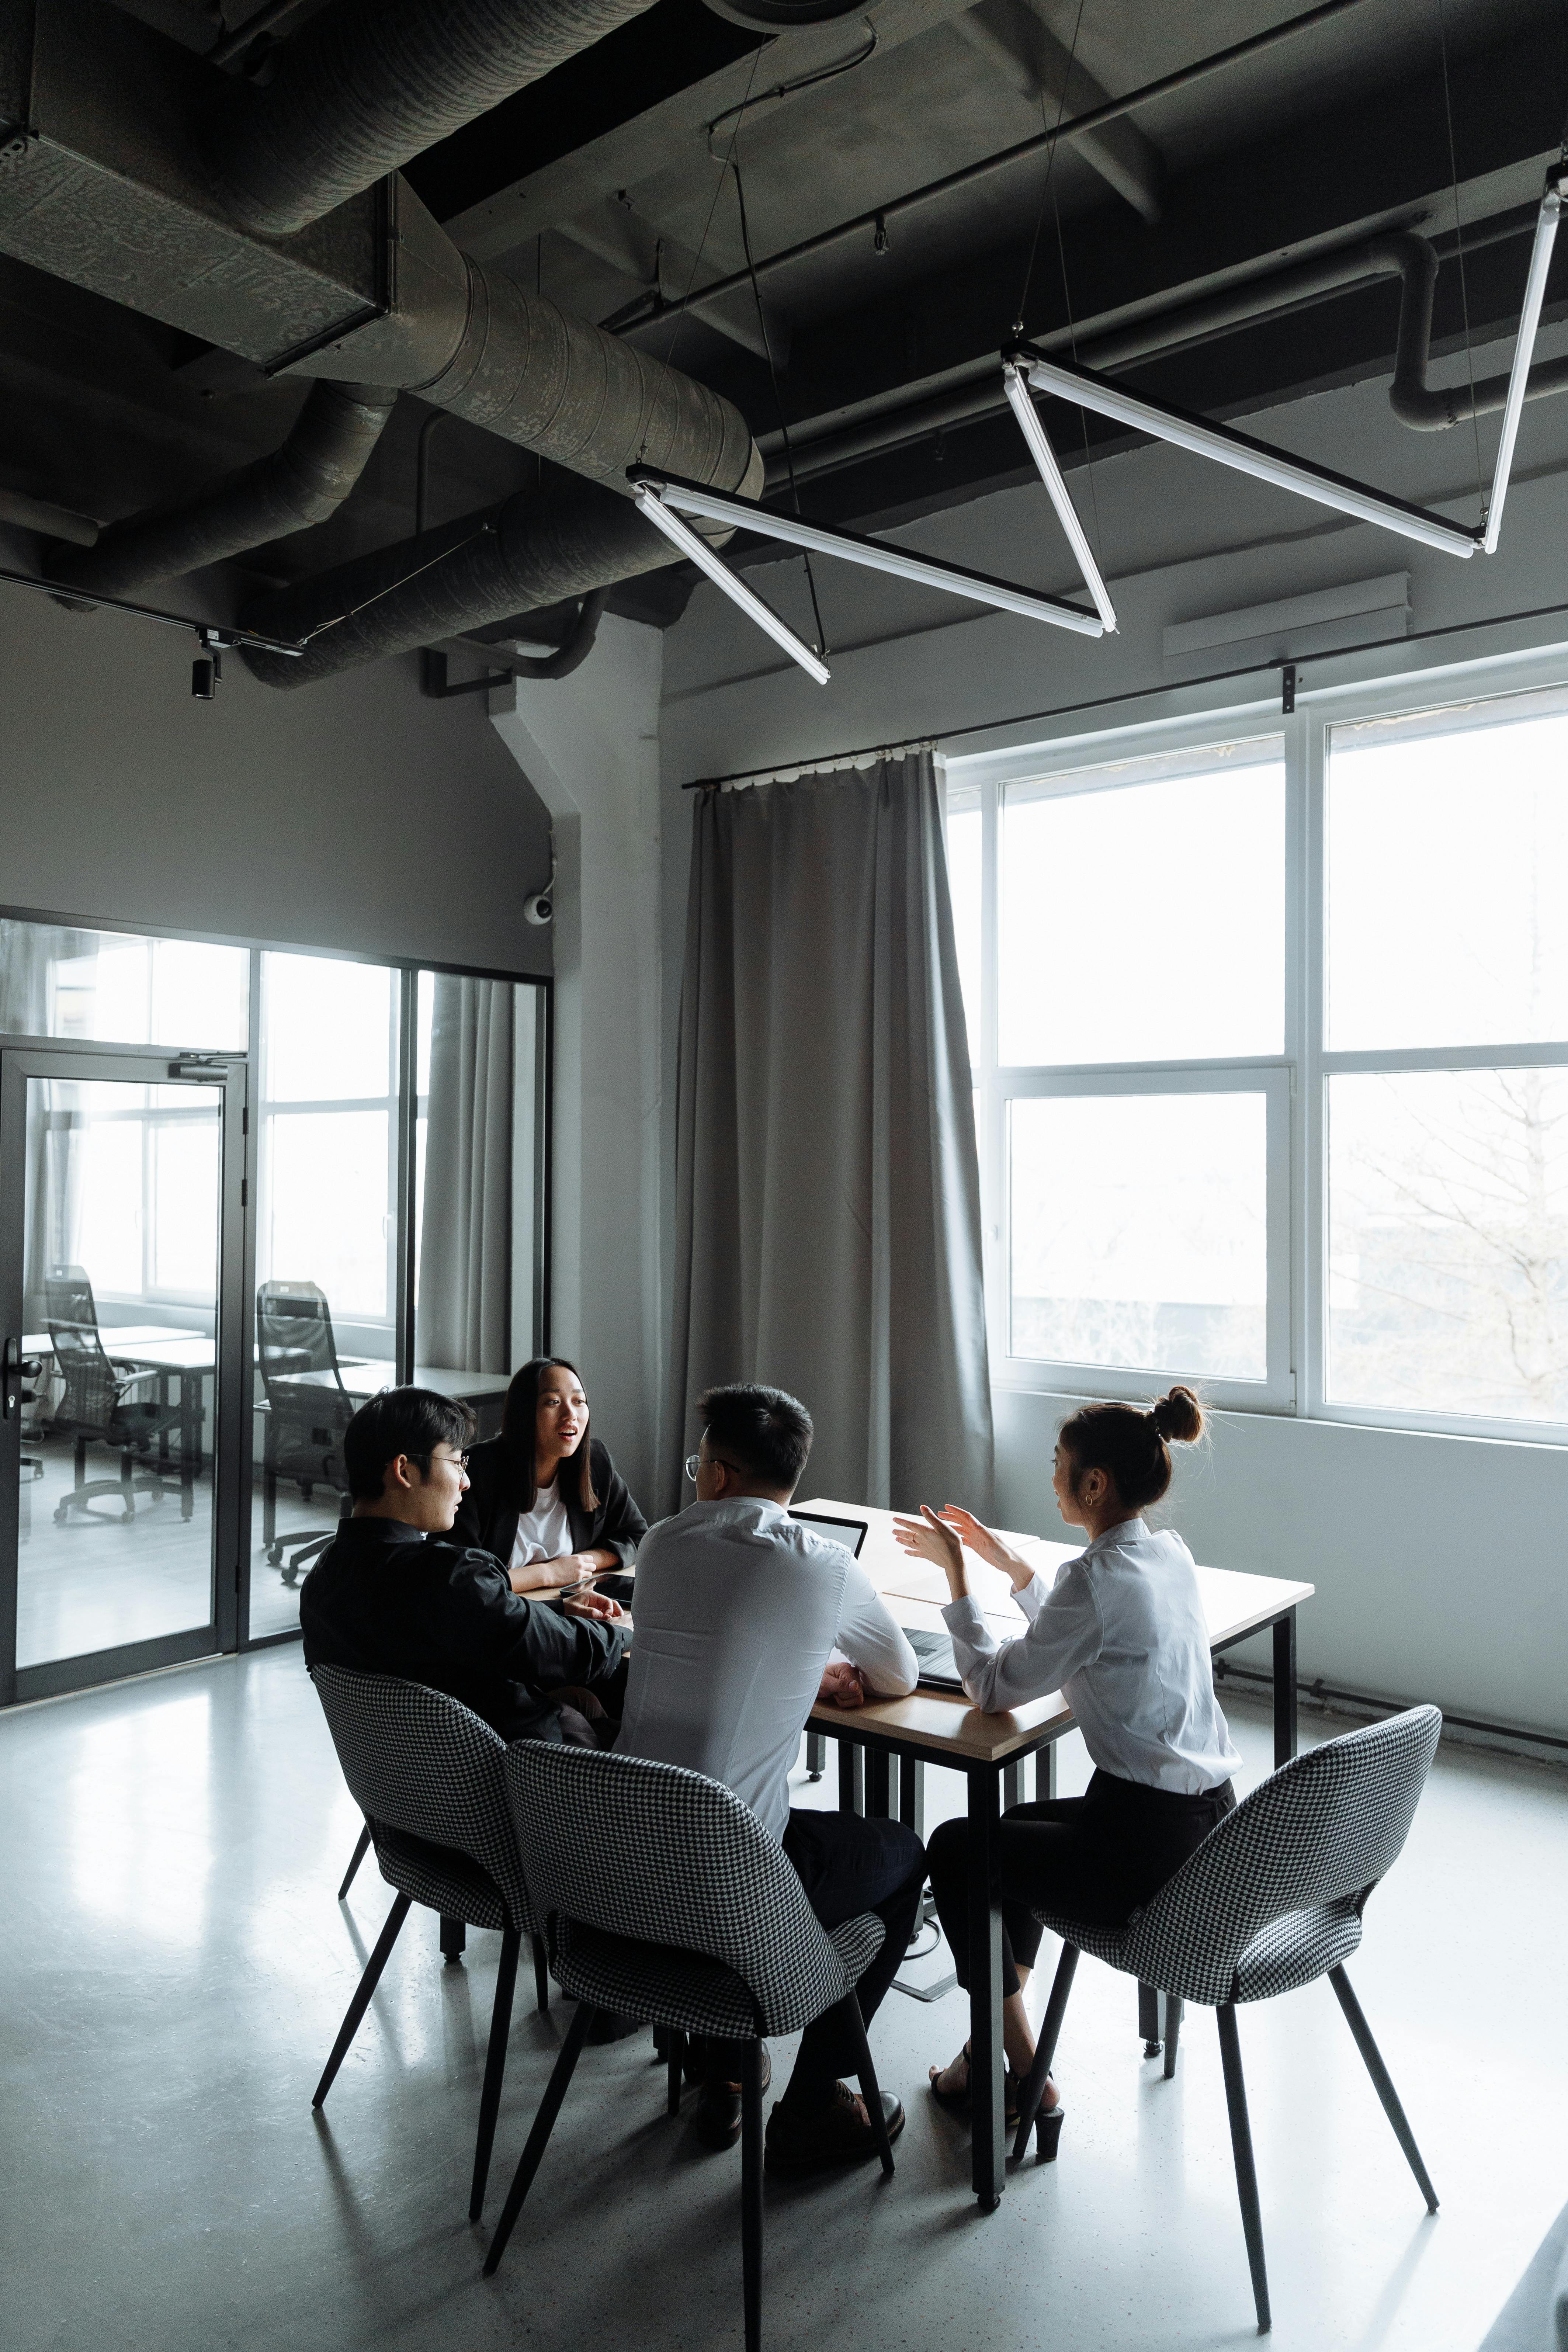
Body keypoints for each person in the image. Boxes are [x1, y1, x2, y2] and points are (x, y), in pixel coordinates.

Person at [893, 1387, 1240, 2145]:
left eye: (1059, 1467)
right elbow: (1089, 1625)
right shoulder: (1164, 1554)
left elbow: (991, 1688)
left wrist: (959, 1581)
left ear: (1093, 1484)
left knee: (956, 1850)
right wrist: (1011, 1567)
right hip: (1205, 1822)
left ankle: (1025, 2071)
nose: (1050, 1479)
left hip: (1144, 1851)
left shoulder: (1091, 1580)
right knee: (1009, 1828)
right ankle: (997, 2049)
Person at [617, 1382, 926, 2177]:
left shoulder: (658, 1545)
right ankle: (815, 2098)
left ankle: (724, 2067)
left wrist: (799, 1658)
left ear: (716, 1475)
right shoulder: (822, 1565)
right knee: (900, 1857)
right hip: (730, 1898)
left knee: (721, 1816)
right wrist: (821, 1660)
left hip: (615, 1874)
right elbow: (896, 1674)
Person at [301, 1385, 628, 1746]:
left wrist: (559, 1609)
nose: (466, 1482)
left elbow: (471, 1623)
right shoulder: (452, 1576)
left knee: (583, 1702)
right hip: (522, 1775)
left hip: (419, 1781)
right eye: (457, 1463)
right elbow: (565, 1654)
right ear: (405, 1470)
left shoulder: (322, 1581)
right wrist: (628, 1630)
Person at [451, 1357, 646, 1600]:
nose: (571, 1414)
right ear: (524, 1413)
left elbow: (637, 1536)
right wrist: (548, 1573)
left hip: (565, 1603)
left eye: (579, 1401)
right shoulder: (477, 1470)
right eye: (553, 1402)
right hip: (500, 1615)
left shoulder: (596, 1462)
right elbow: (459, 1579)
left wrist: (581, 1564)